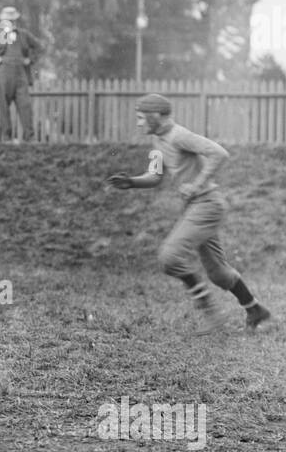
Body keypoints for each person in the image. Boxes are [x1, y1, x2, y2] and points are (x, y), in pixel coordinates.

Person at [106, 94, 271, 335]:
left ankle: (212, 315)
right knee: (218, 273)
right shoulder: (158, 140)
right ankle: (255, 309)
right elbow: (155, 175)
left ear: (156, 116)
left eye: (142, 118)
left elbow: (219, 153)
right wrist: (131, 182)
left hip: (207, 204)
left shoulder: (179, 135)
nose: (139, 123)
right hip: (197, 206)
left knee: (169, 257)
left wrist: (197, 184)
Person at [0, 6, 41, 142]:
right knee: (4, 107)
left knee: (25, 105)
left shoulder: (24, 35)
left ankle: (29, 137)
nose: (10, 22)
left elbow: (39, 47)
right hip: (3, 73)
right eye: (7, 19)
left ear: (16, 20)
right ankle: (6, 137)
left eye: (12, 19)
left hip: (21, 73)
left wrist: (30, 60)